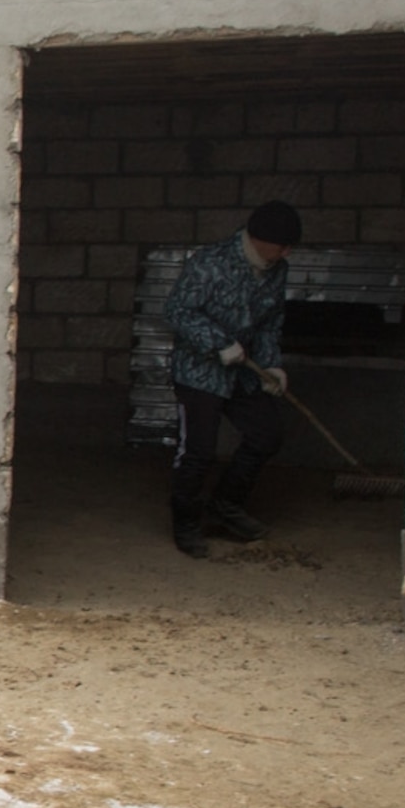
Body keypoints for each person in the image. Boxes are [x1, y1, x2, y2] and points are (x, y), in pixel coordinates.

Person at [162, 200, 301, 559]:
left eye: (289, 247)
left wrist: (272, 367)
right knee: (198, 452)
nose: (286, 253)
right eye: (281, 245)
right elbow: (177, 310)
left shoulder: (276, 269)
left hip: (244, 372)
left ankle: (226, 505)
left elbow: (270, 322)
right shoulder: (211, 263)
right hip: (199, 373)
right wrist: (218, 343)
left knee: (266, 435)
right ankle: (187, 524)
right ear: (257, 238)